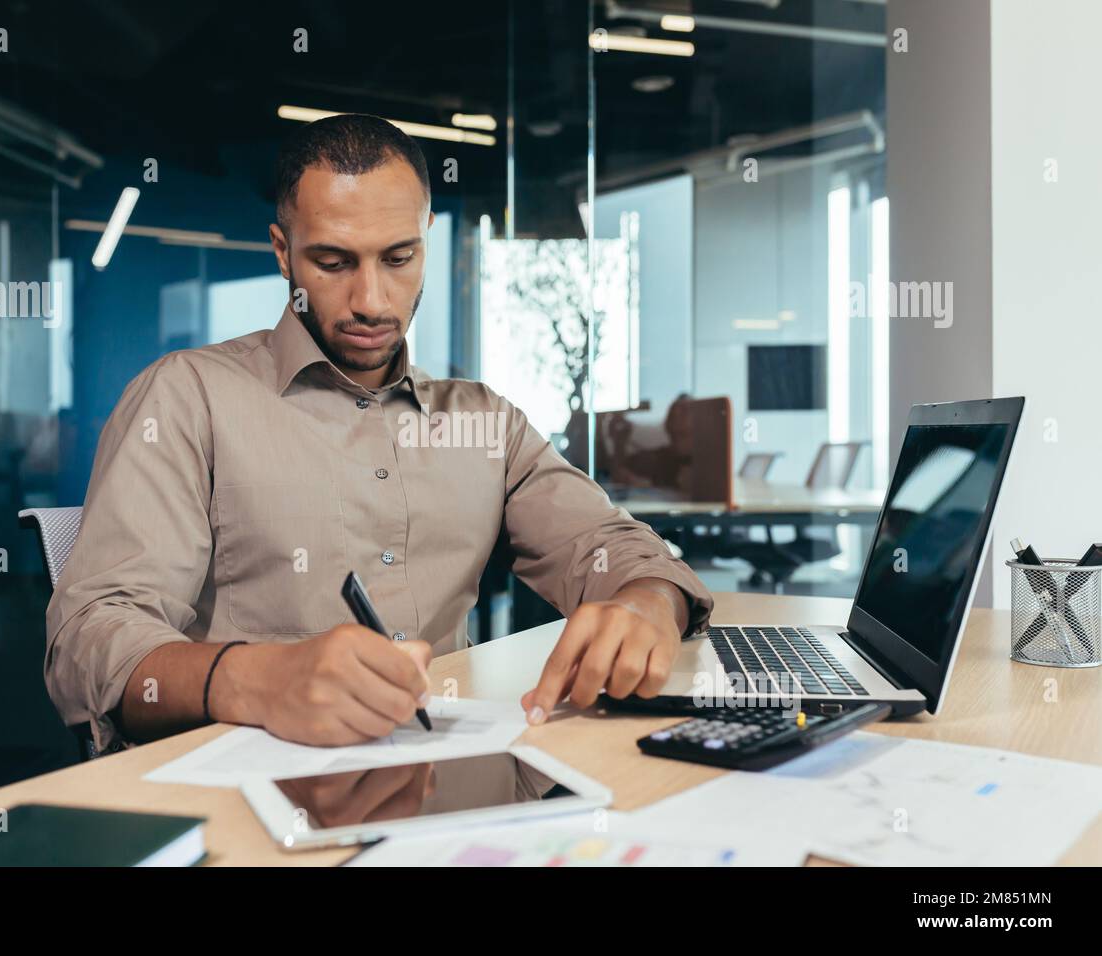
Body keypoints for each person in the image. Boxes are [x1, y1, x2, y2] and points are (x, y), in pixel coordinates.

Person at [45, 114, 713, 753]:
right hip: (251, 796)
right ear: (283, 253)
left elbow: (609, 546)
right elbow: (89, 643)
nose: (371, 300)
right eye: (334, 263)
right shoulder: (187, 398)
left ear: (426, 242)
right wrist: (259, 679)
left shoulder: (482, 423)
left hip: (450, 786)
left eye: (399, 258)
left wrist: (649, 603)